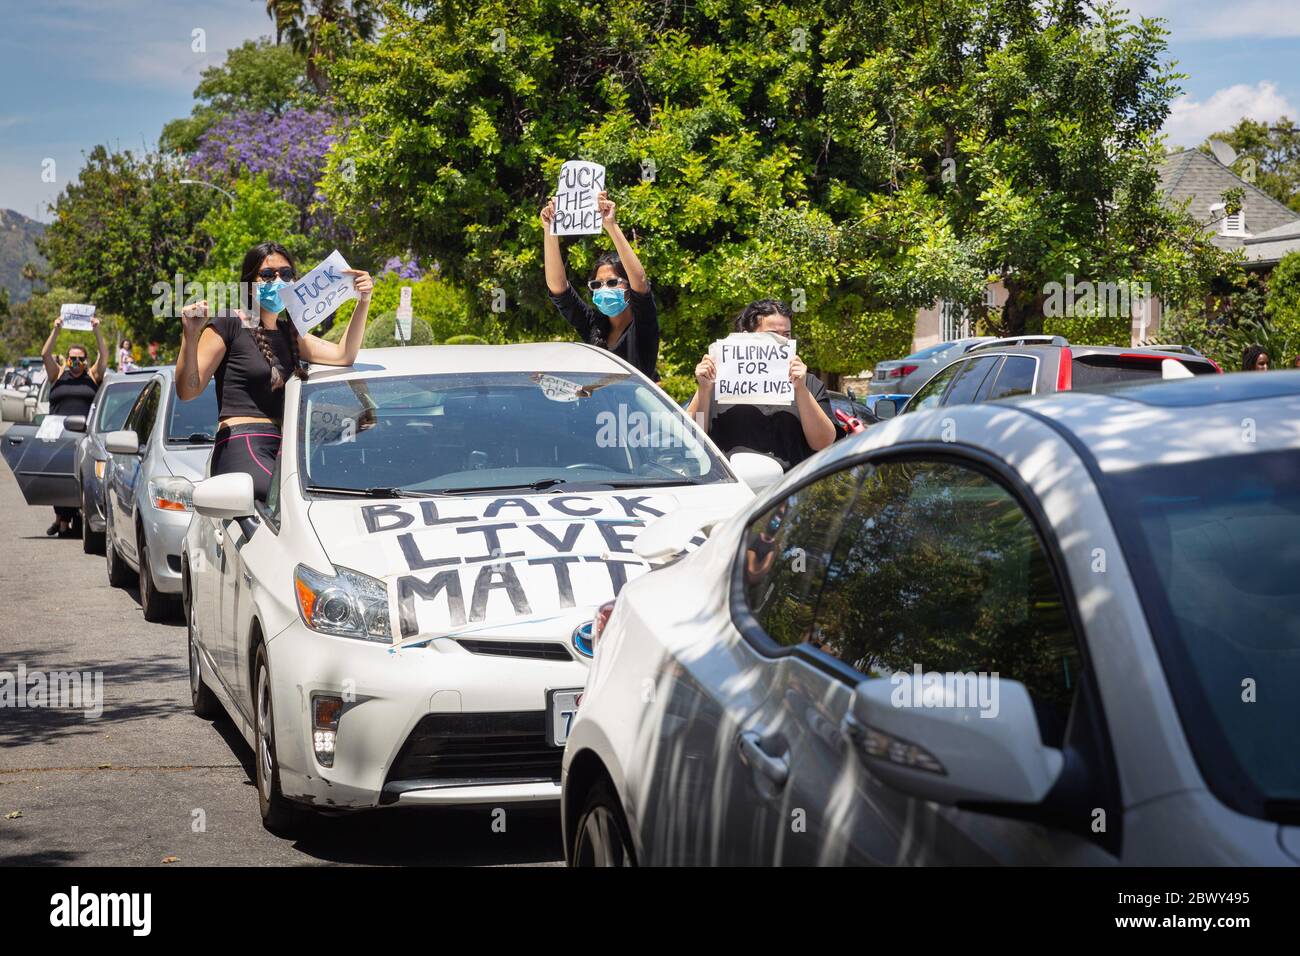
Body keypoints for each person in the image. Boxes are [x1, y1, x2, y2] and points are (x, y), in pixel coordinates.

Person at [174, 241, 373, 501]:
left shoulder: (289, 334)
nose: (278, 281)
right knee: (284, 505)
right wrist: (190, 334)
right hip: (242, 442)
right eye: (268, 275)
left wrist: (363, 300)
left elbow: (343, 355)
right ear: (249, 283)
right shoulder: (228, 323)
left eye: (286, 274)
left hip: (287, 447)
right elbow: (187, 391)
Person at [686, 299, 836, 471]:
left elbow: (824, 443)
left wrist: (801, 390)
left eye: (786, 335)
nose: (781, 342)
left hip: (790, 491)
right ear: (746, 336)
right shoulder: (716, 382)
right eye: (772, 334)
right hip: (732, 491)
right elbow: (691, 441)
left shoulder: (808, 384)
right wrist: (704, 390)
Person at [540, 190, 659, 380]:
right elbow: (559, 289)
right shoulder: (593, 327)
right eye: (597, 284)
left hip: (630, 410)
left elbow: (641, 282)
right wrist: (550, 230)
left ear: (628, 287)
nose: (604, 289)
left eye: (612, 282)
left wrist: (610, 225)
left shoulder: (643, 325)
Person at [41, 315, 107, 536]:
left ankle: (64, 521)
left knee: (77, 476)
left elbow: (105, 355)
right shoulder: (58, 374)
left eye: (79, 359)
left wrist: (97, 330)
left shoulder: (92, 376)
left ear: (86, 360)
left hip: (82, 435)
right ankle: (61, 520)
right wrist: (56, 329)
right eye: (72, 358)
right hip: (58, 435)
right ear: (67, 360)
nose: (75, 362)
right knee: (59, 476)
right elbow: (45, 354)